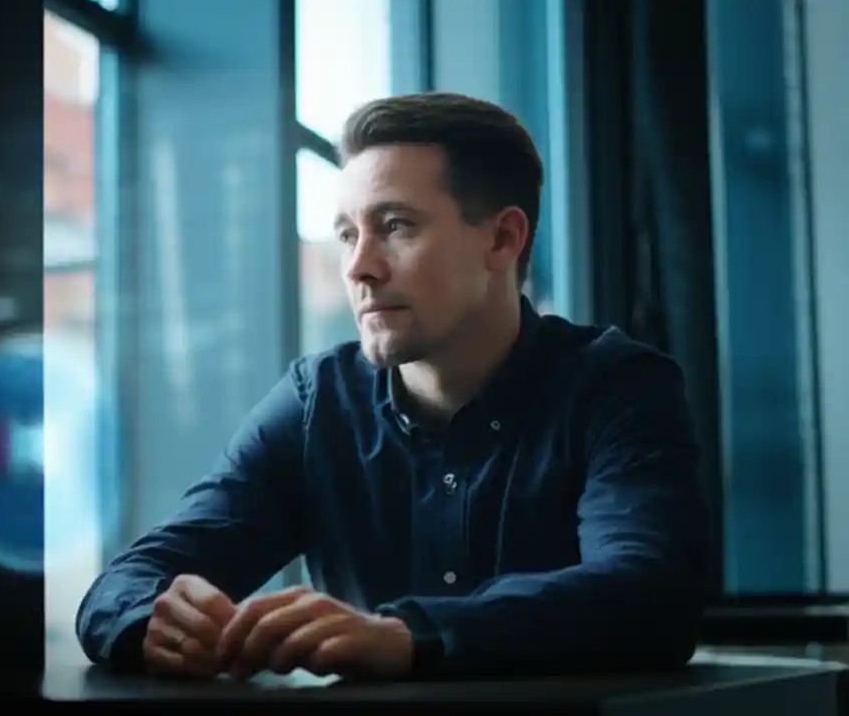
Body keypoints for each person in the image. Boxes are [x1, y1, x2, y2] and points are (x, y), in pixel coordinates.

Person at [74, 92, 707, 681]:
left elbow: (650, 594)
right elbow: (123, 585)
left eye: (396, 226)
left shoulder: (616, 387)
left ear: (503, 239)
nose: (359, 267)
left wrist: (408, 636)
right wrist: (157, 622)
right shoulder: (317, 402)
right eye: (348, 234)